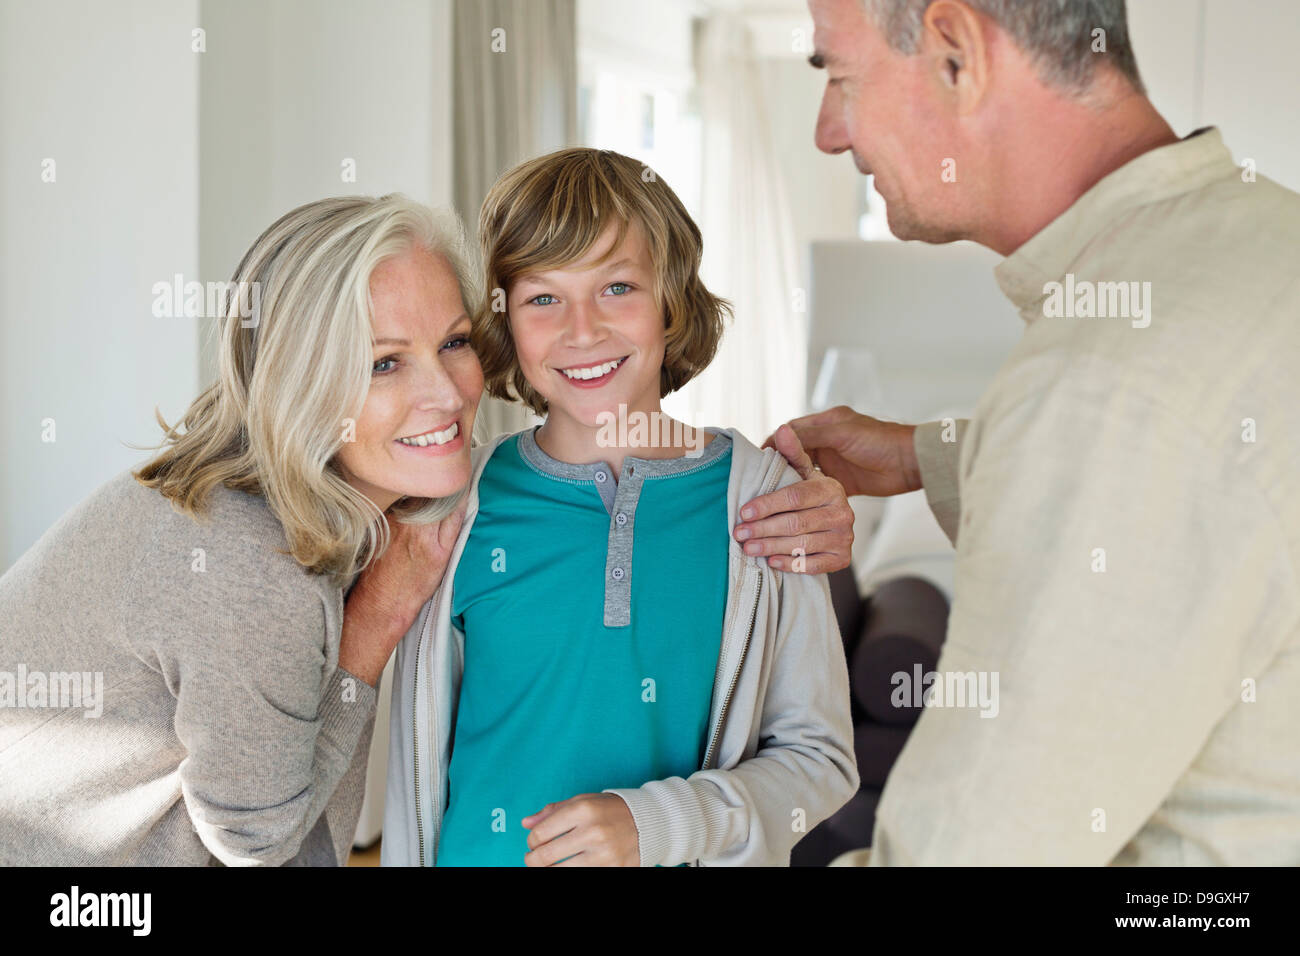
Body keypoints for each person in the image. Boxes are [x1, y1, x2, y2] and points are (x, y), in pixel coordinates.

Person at [796, 0, 1300, 864]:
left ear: (957, 53)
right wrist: (930, 456)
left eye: (840, 77)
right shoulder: (1265, 238)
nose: (827, 133)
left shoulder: (1100, 387)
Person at [379, 147, 860, 866]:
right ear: (504, 322)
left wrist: (658, 822)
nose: (582, 330)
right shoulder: (454, 503)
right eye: (544, 297)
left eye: (618, 288)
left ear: (672, 303)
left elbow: (821, 762)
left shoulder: (767, 501)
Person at [0, 194, 481, 864]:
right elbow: (259, 845)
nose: (448, 392)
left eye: (455, 342)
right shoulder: (243, 554)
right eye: (384, 362)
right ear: (299, 384)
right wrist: (374, 627)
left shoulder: (296, 497)